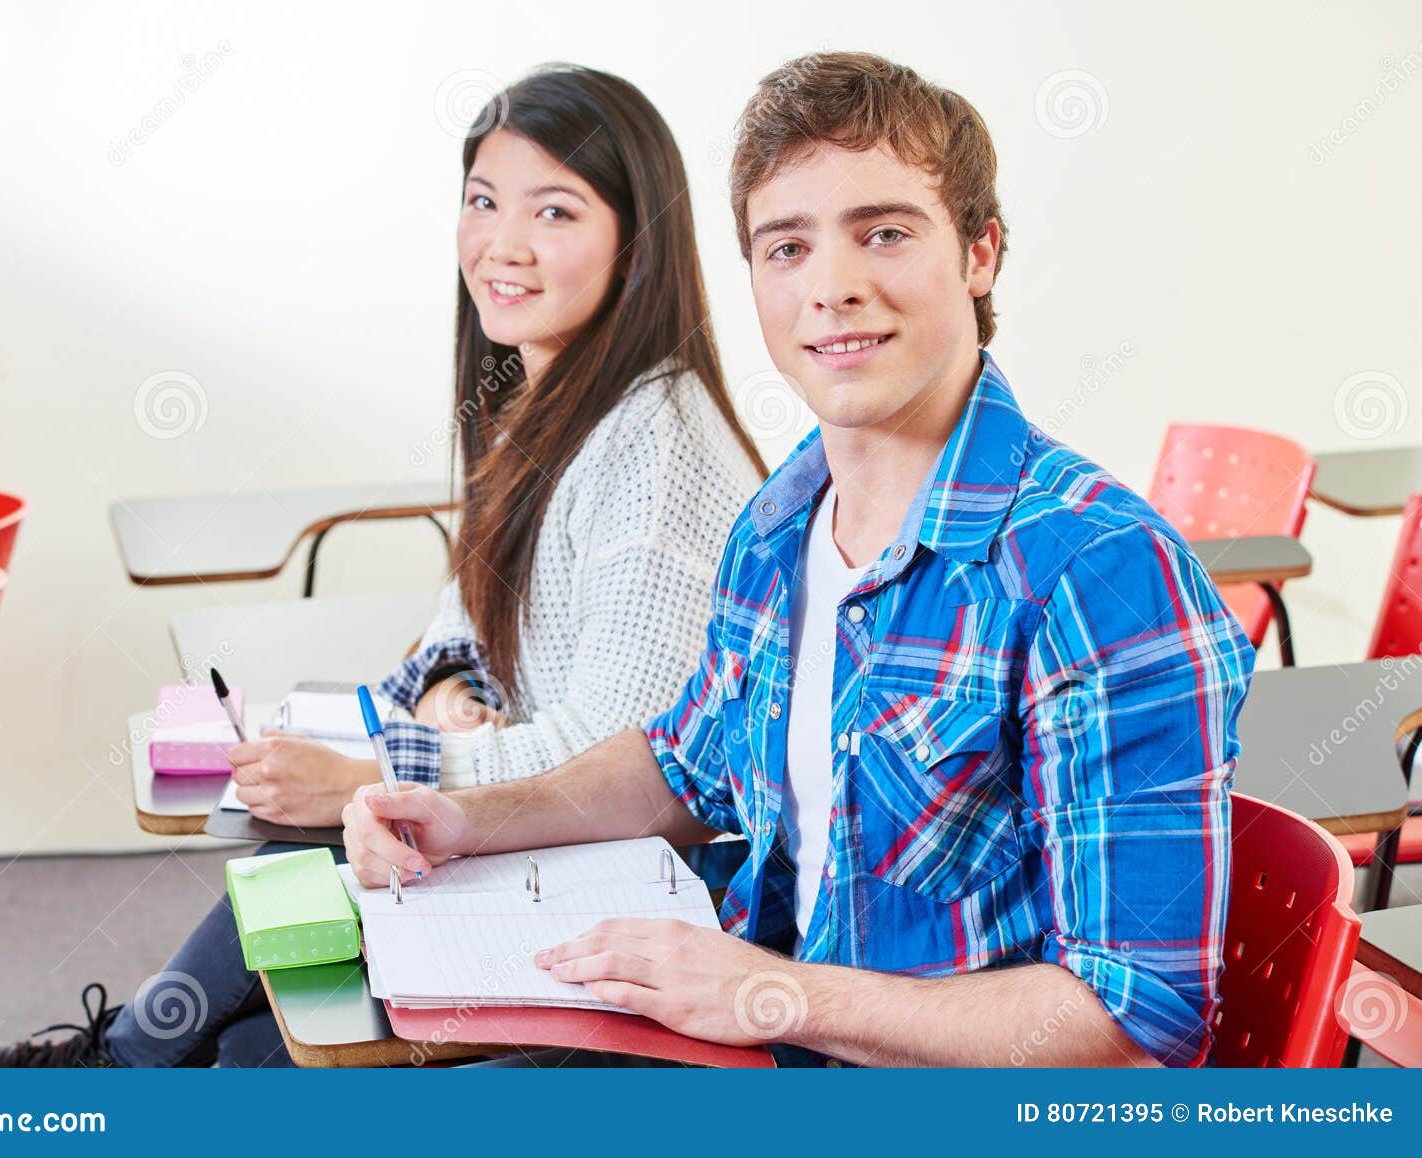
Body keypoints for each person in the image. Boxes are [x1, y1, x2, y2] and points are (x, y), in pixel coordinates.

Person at [345, 51, 1255, 1068]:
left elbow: (1131, 1027)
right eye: (787, 248)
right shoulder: (781, 523)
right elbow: (683, 769)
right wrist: (468, 820)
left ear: (979, 254)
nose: (832, 288)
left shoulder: (1101, 570)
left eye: (884, 234)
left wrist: (775, 994)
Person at [0, 63, 765, 1068]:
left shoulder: (653, 444)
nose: (503, 245)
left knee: (279, 962)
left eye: (554, 212)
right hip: (556, 843)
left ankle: (104, 1076)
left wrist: (378, 772)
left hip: (629, 878)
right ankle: (110, 1070)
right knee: (278, 939)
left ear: (637, 246)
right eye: (483, 202)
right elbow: (462, 626)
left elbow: (623, 759)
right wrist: (453, 692)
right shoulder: (548, 397)